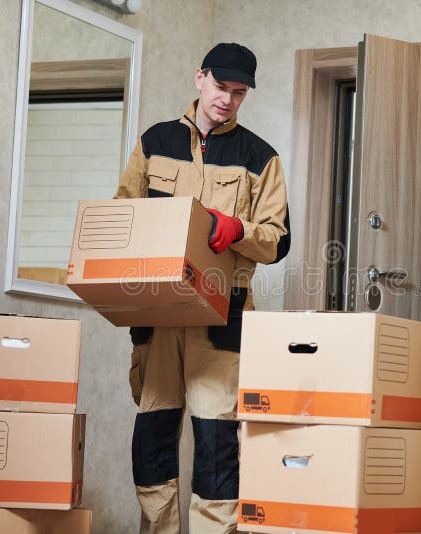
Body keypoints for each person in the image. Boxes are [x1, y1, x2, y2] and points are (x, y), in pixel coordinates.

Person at [114, 42, 290, 533]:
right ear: (199, 78)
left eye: (238, 93)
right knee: (152, 435)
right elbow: (124, 215)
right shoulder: (155, 141)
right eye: (220, 87)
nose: (227, 100)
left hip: (222, 317)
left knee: (217, 442)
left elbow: (278, 240)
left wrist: (240, 230)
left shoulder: (261, 157)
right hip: (158, 312)